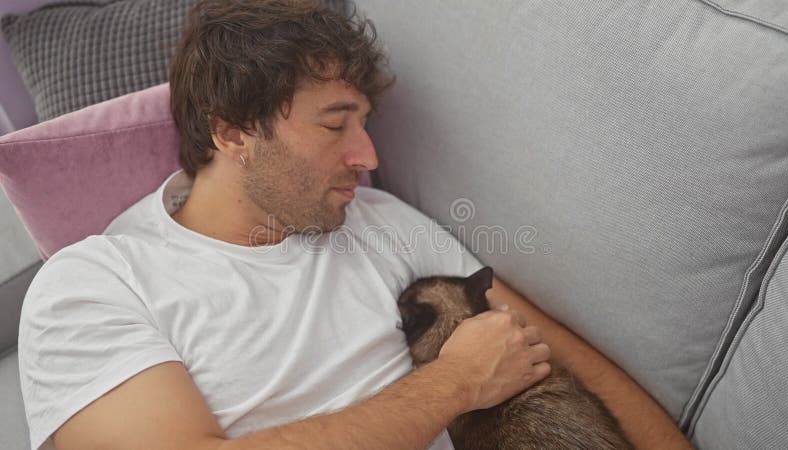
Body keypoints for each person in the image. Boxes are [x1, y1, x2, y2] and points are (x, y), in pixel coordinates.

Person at [17, 1, 692, 449]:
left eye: (364, 124)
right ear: (232, 132)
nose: (367, 157)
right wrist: (454, 384)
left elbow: (557, 355)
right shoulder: (94, 283)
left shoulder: (378, 222)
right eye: (337, 123)